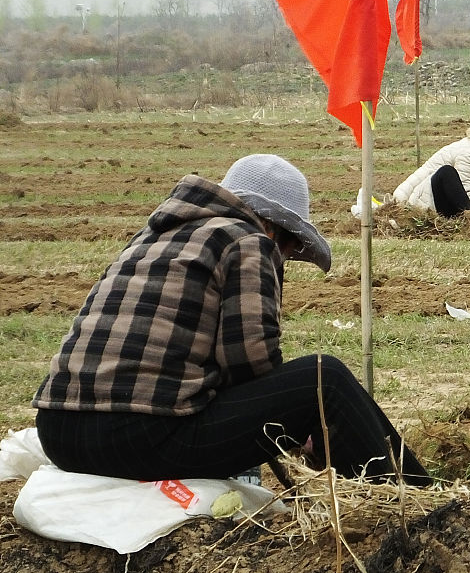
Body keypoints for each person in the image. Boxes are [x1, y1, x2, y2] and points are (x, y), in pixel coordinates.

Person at [32, 154, 432, 486]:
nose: (287, 257)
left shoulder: (149, 239)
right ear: (274, 227)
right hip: (137, 434)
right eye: (291, 246)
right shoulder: (247, 239)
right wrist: (305, 429)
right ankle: (416, 501)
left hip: (59, 432)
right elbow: (250, 362)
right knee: (324, 379)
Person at [392, 118, 470, 217]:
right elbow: (466, 196)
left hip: (431, 196)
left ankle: (469, 217)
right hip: (421, 204)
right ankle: (468, 220)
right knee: (447, 173)